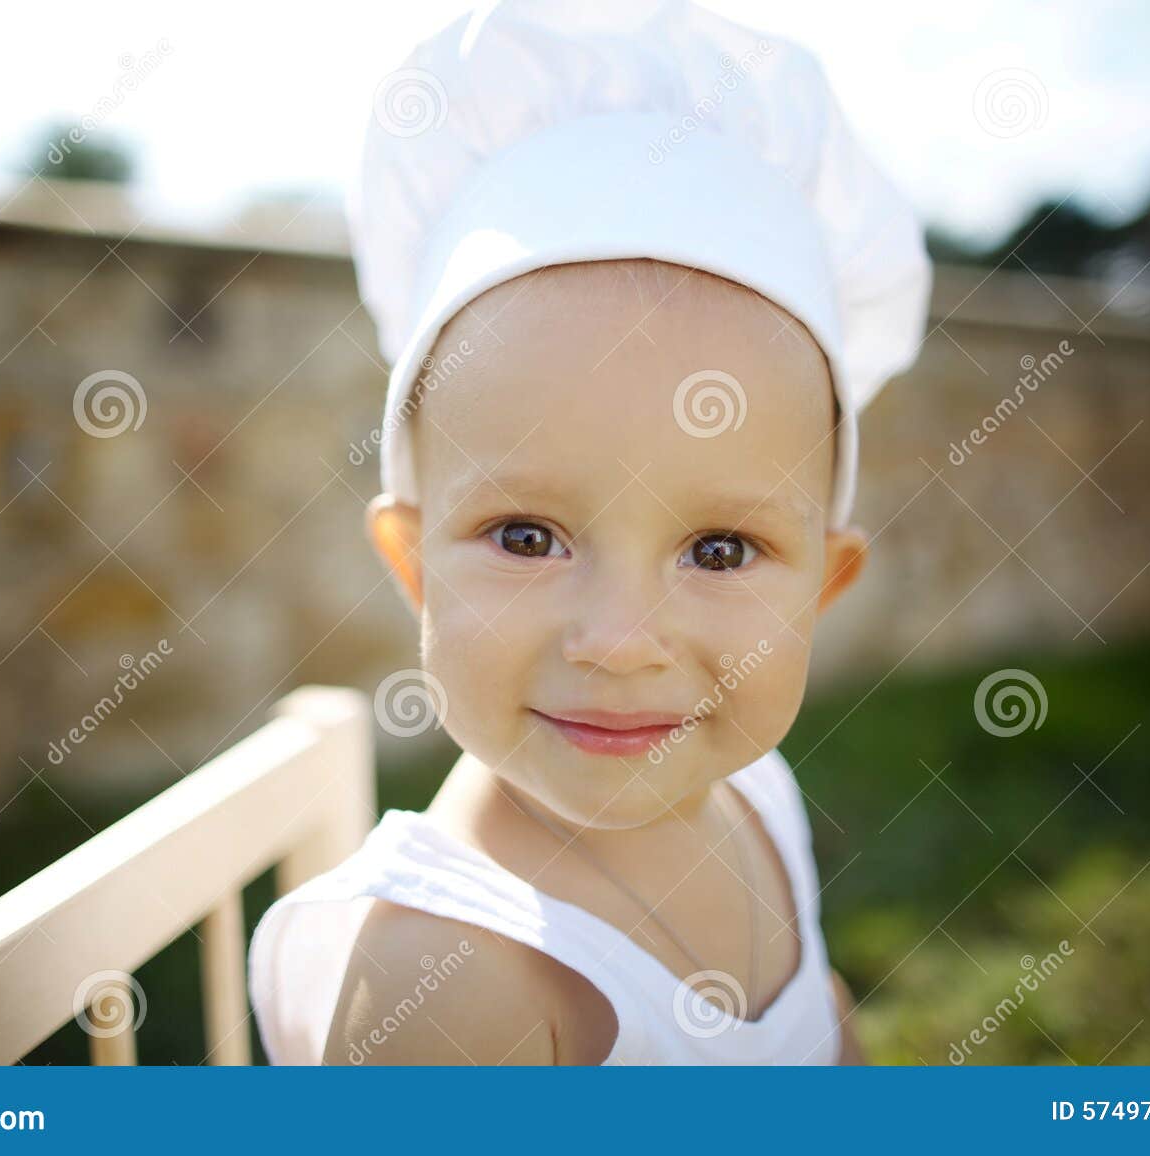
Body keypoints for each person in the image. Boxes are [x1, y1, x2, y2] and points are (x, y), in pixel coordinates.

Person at [249, 0, 931, 1065]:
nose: (619, 640)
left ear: (821, 586)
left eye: (717, 549)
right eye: (525, 536)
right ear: (412, 561)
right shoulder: (451, 980)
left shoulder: (755, 790)